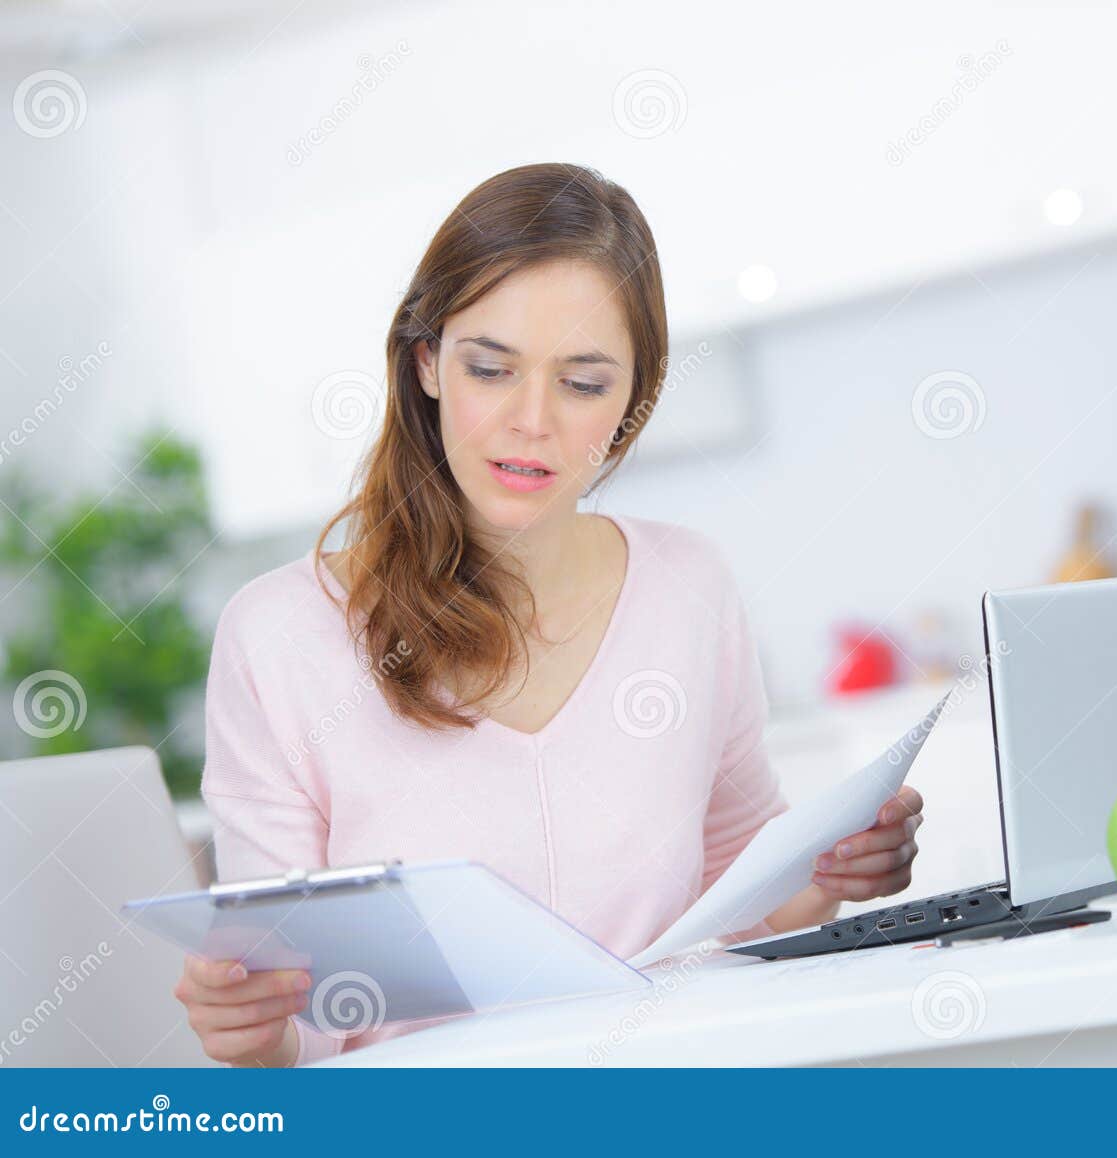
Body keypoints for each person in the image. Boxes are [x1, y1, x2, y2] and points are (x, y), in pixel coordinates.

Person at [172, 163, 926, 1067]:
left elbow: (741, 891)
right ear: (427, 364)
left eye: (583, 383)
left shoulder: (689, 585)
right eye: (490, 368)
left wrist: (832, 873)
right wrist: (249, 1032)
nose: (532, 421)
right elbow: (294, 1013)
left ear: (631, 403)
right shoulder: (281, 636)